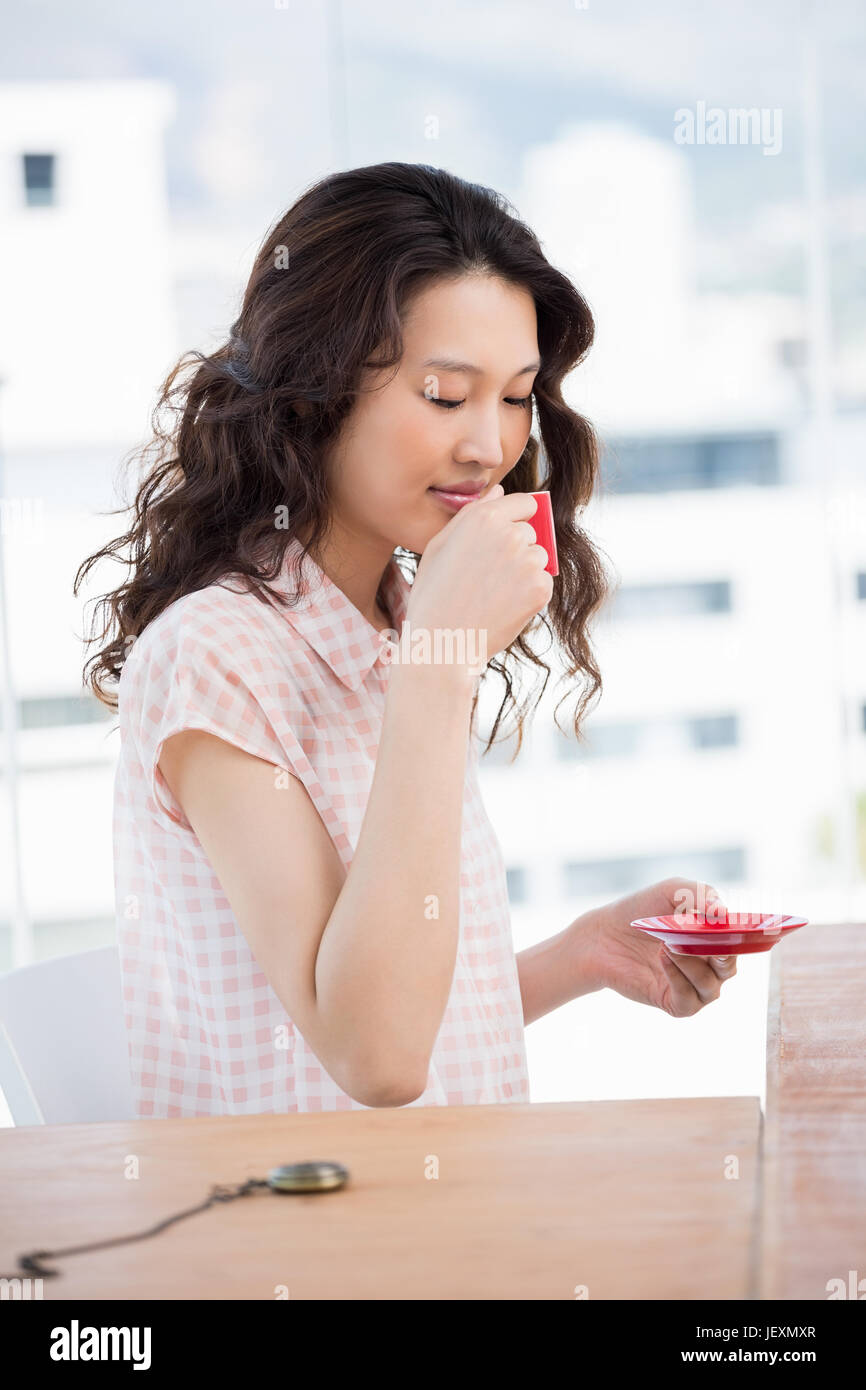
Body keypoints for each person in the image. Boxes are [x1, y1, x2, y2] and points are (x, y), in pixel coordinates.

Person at [76, 162, 736, 1120]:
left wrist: (585, 954)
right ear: (315, 392)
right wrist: (438, 668)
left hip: (444, 1213)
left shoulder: (389, 624)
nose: (490, 445)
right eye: (443, 394)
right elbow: (374, 1059)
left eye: (515, 397)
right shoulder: (217, 654)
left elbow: (393, 1002)